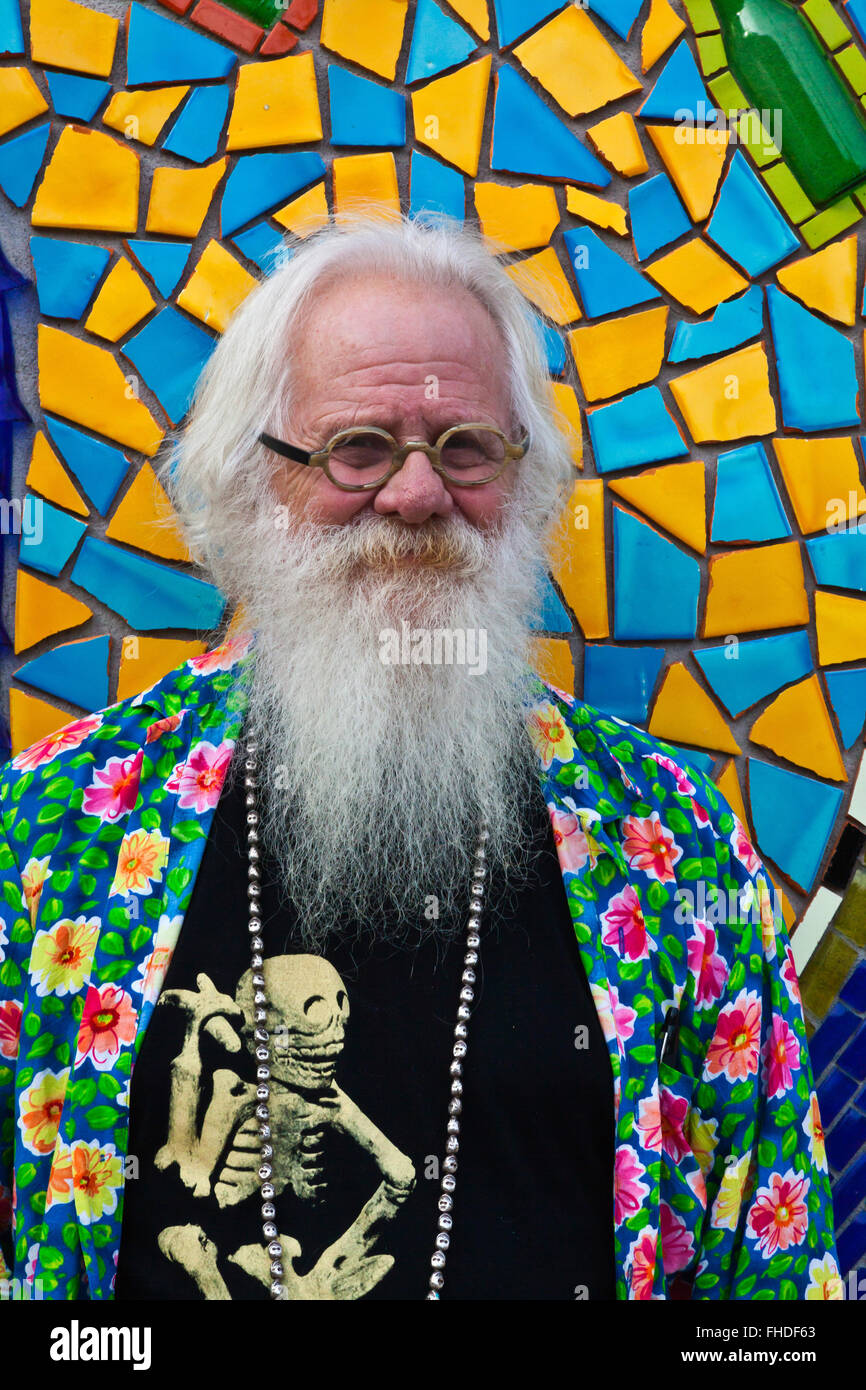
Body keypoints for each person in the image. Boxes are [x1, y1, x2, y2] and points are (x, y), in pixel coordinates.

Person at [0, 212, 842, 1302]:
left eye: (466, 449)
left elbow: (767, 1285)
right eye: (357, 447)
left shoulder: (670, 844)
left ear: (523, 482)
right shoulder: (56, 826)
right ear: (256, 479)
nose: (414, 495)